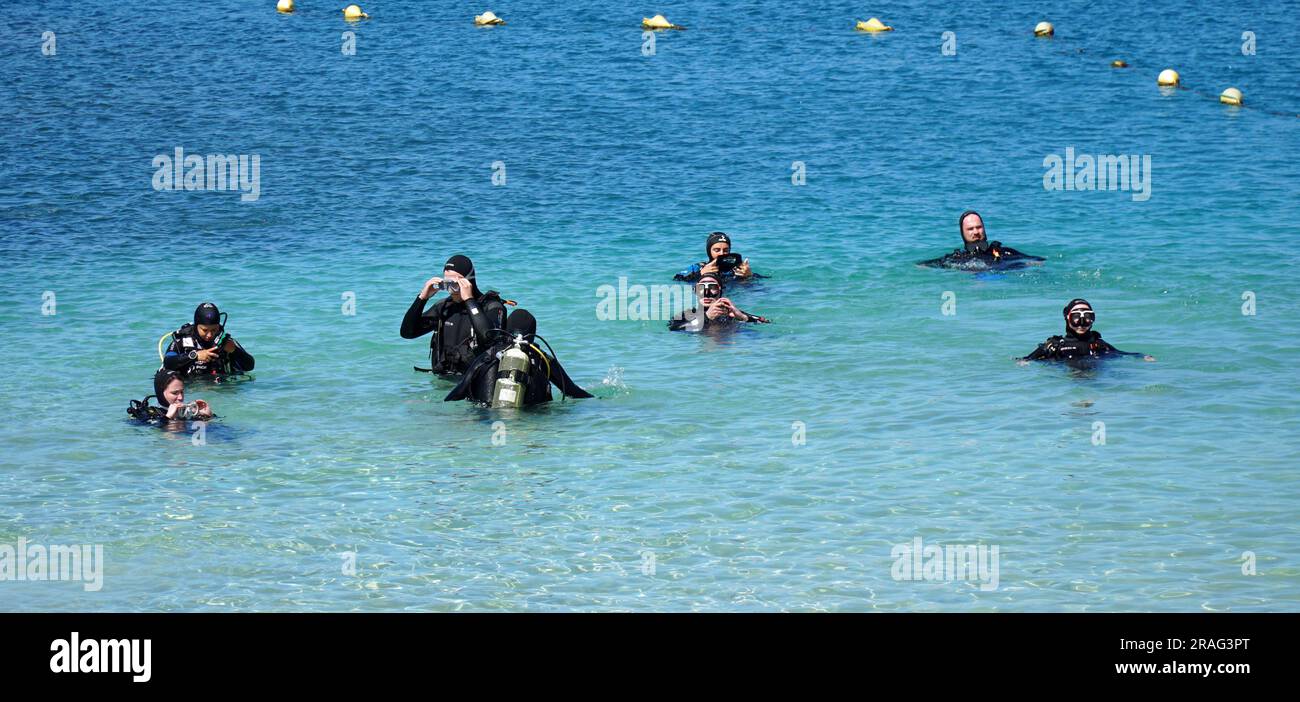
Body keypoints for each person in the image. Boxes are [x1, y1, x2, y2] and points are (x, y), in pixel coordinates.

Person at [444, 309, 593, 406]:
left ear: (506, 330)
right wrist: (598, 400)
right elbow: (573, 391)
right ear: (532, 334)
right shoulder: (541, 358)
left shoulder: (489, 354)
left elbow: (459, 391)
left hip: (488, 416)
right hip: (530, 419)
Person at [400, 255, 509, 377]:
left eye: (455, 284)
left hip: (475, 382)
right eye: (446, 285)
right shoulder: (444, 308)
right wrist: (422, 298)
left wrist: (469, 299)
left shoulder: (492, 307)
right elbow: (407, 333)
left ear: (469, 281)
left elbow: (489, 338)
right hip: (443, 380)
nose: (451, 290)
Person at [1019, 299, 1156, 363]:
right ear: (1067, 318)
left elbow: (1122, 353)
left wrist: (1141, 356)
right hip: (1069, 384)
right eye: (1076, 317)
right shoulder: (1056, 345)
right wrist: (1023, 362)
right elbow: (1026, 359)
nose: (1082, 323)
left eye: (1088, 317)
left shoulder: (1098, 344)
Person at [919, 211, 1045, 270]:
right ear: (962, 233)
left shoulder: (1003, 252)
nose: (976, 232)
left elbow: (1037, 260)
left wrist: (1031, 263)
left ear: (984, 229)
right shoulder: (958, 258)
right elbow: (926, 265)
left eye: (978, 227)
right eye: (970, 229)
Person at [162, 302, 255, 379]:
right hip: (191, 389)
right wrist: (194, 356)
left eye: (214, 329)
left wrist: (235, 351)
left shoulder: (226, 342)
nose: (210, 335)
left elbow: (250, 366)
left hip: (222, 390)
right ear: (196, 326)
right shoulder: (182, 341)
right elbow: (168, 363)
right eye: (204, 330)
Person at [668, 273, 770, 331]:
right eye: (701, 287)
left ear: (720, 291)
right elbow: (674, 329)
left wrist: (742, 317)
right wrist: (706, 317)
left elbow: (767, 322)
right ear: (695, 291)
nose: (707, 293)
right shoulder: (686, 315)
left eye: (712, 287)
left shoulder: (732, 313)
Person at [127, 368, 214, 423]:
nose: (180, 398)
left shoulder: (186, 412)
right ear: (161, 393)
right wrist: (167, 417)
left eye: (182, 392)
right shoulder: (148, 414)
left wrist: (208, 415)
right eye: (175, 393)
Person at [673, 231, 757, 282]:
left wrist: (750, 275)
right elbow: (677, 279)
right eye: (717, 250)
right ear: (709, 251)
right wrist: (700, 274)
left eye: (726, 250)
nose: (721, 253)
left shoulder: (736, 269)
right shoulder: (699, 267)